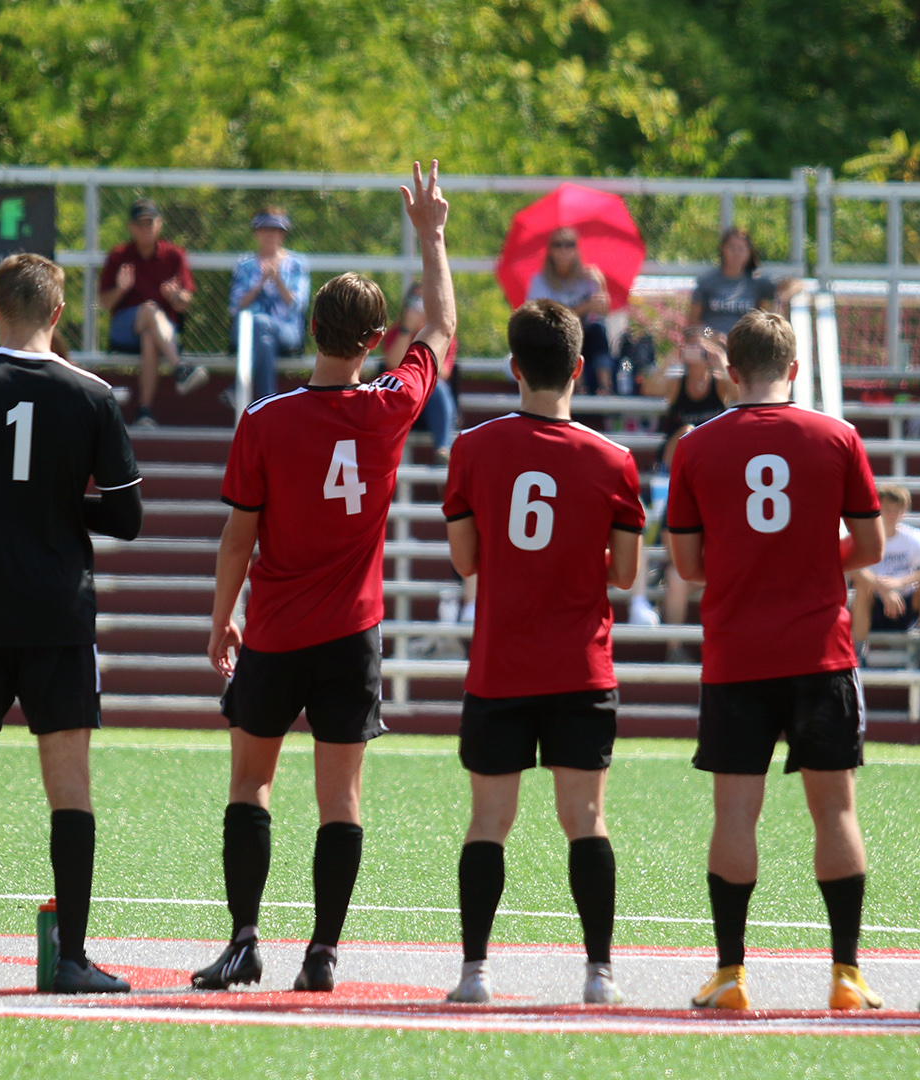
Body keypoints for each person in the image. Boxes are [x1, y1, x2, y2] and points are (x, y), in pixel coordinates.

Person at [196, 162, 453, 995]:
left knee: (250, 783)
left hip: (273, 629)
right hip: (353, 634)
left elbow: (239, 539)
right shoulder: (388, 407)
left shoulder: (264, 421)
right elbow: (443, 329)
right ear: (375, 341)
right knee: (340, 800)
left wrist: (218, 620)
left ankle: (242, 940)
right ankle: (324, 952)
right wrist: (431, 234)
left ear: (310, 327)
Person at [0, 254, 145, 995]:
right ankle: (71, 959)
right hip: (57, 612)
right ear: (57, 312)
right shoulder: (94, 394)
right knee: (69, 786)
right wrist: (55, 510)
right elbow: (129, 516)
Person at [666, 310, 888, 1013]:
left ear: (732, 372)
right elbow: (874, 546)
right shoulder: (837, 436)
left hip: (737, 654)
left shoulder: (697, 447)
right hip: (820, 649)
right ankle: (847, 977)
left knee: (736, 813)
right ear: (794, 369)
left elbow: (687, 564)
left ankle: (731, 976)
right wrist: (821, 559)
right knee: (836, 812)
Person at [438, 298, 644, 1007]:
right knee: (585, 818)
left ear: (514, 367)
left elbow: (465, 561)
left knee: (488, 820)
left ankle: (473, 974)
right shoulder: (613, 460)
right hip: (580, 667)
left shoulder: (472, 447)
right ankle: (599, 973)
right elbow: (626, 574)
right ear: (581, 368)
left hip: (501, 664)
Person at [653, 330, 733, 640]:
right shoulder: (677, 382)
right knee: (690, 430)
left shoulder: (719, 382)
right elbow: (649, 388)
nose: (696, 352)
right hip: (678, 464)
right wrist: (670, 359)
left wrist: (720, 358)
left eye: (701, 347)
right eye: (693, 347)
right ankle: (674, 648)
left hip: (712, 467)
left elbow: (739, 391)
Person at [99, 199, 200, 428]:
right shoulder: (119, 256)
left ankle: (144, 411)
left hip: (162, 331)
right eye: (140, 224)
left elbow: (185, 302)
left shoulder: (174, 255)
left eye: (150, 223)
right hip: (125, 327)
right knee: (148, 310)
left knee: (149, 337)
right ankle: (180, 366)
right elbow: (104, 302)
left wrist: (175, 296)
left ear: (159, 224)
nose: (145, 228)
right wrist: (122, 289)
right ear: (131, 227)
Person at [848, 484, 920, 669]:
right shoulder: (866, 536)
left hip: (906, 603)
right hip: (874, 603)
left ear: (904, 511)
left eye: (897, 509)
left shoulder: (913, 536)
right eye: (886, 509)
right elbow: (850, 566)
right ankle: (857, 654)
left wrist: (901, 582)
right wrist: (884, 589)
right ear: (877, 509)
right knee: (861, 588)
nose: (891, 514)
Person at [229, 207, 311, 402]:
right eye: (265, 229)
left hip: (287, 331)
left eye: (275, 230)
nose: (270, 235)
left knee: (261, 324)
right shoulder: (244, 265)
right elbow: (235, 307)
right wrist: (259, 283)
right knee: (263, 340)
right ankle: (268, 401)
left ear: (283, 234)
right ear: (256, 233)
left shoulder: (297, 264)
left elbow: (299, 306)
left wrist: (278, 281)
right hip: (246, 331)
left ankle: (237, 389)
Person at [526, 228, 613, 395]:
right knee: (567, 333)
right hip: (555, 338)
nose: (564, 250)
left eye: (570, 245)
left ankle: (605, 387)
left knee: (598, 330)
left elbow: (604, 311)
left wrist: (601, 285)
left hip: (587, 336)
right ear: (550, 250)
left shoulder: (588, 277)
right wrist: (585, 306)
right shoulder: (540, 281)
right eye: (558, 245)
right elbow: (543, 316)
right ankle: (578, 387)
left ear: (577, 249)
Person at [381, 278, 459, 460]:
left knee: (437, 386)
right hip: (402, 399)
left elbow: (442, 372)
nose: (419, 306)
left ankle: (442, 450)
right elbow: (393, 365)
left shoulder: (444, 336)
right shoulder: (396, 332)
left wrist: (430, 336)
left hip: (430, 403)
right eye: (415, 300)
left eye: (425, 301)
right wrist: (407, 330)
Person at [689, 227, 802, 336]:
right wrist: (711, 335)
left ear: (749, 253)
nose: (736, 253)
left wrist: (781, 298)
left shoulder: (756, 282)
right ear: (722, 249)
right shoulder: (708, 282)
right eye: (732, 247)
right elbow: (693, 324)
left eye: (741, 248)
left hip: (745, 343)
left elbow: (796, 284)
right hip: (711, 344)